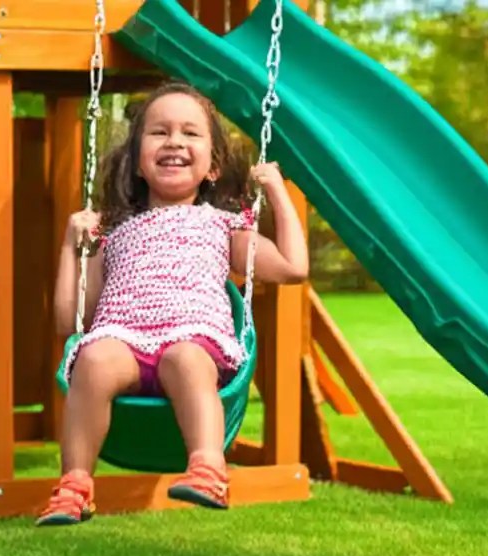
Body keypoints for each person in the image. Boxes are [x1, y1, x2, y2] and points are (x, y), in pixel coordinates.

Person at [38, 82, 309, 525]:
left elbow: (293, 268)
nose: (175, 142)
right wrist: (72, 248)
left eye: (190, 133)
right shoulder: (113, 233)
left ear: (214, 167)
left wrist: (276, 192)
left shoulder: (223, 226)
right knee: (93, 357)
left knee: (186, 358)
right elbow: (71, 322)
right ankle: (74, 485)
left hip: (194, 339)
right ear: (138, 163)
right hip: (122, 341)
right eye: (159, 132)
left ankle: (208, 469)